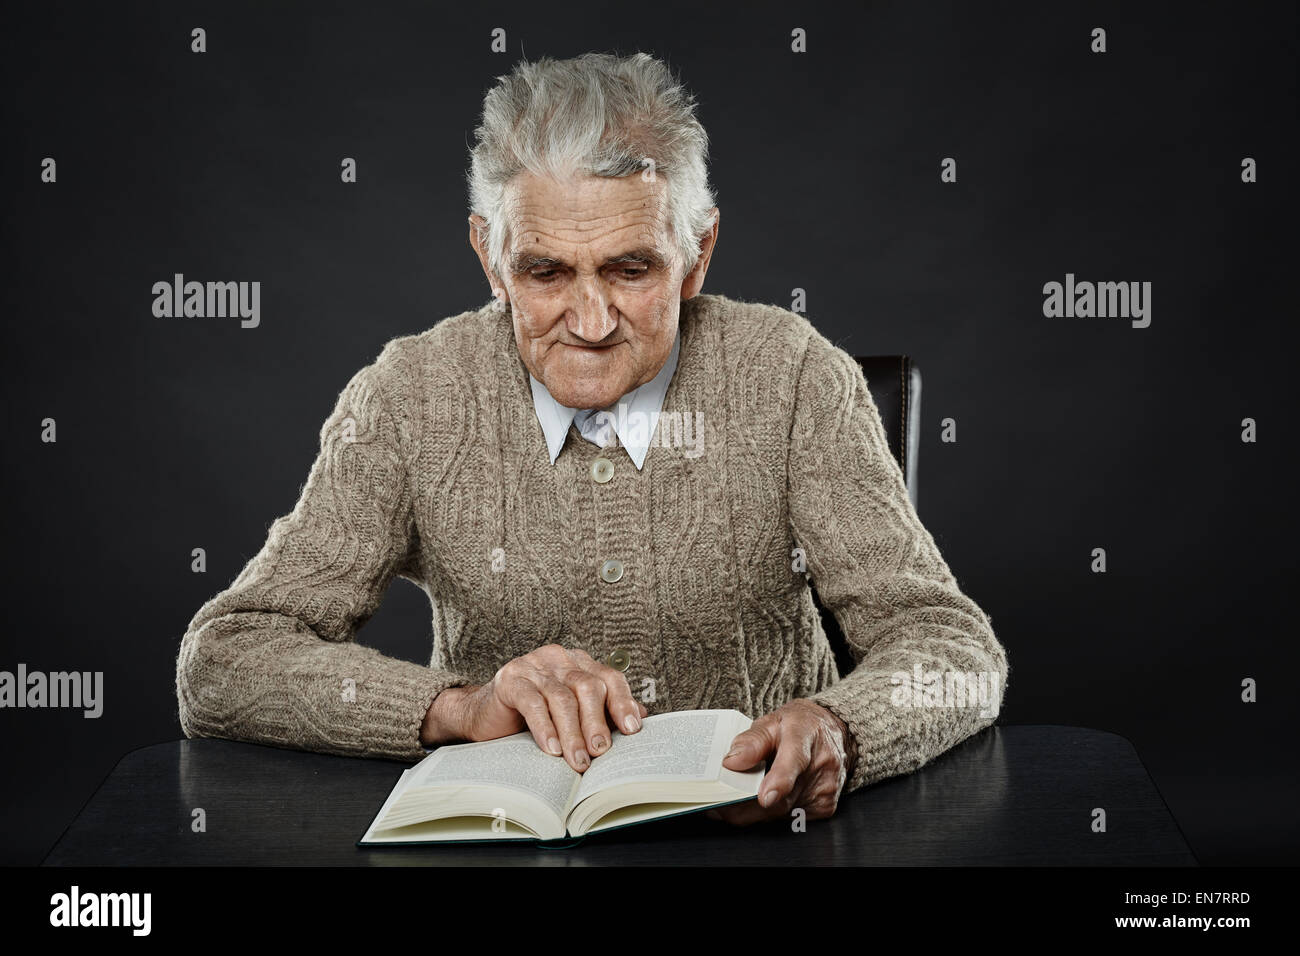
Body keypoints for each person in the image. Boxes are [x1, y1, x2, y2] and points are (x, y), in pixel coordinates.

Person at [176, 51, 1008, 826]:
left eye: (631, 269)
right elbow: (223, 662)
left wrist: (839, 727)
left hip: (766, 839)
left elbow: (953, 648)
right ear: (490, 258)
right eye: (544, 273)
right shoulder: (409, 395)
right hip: (507, 839)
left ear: (697, 252)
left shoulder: (794, 377)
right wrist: (458, 708)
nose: (591, 321)